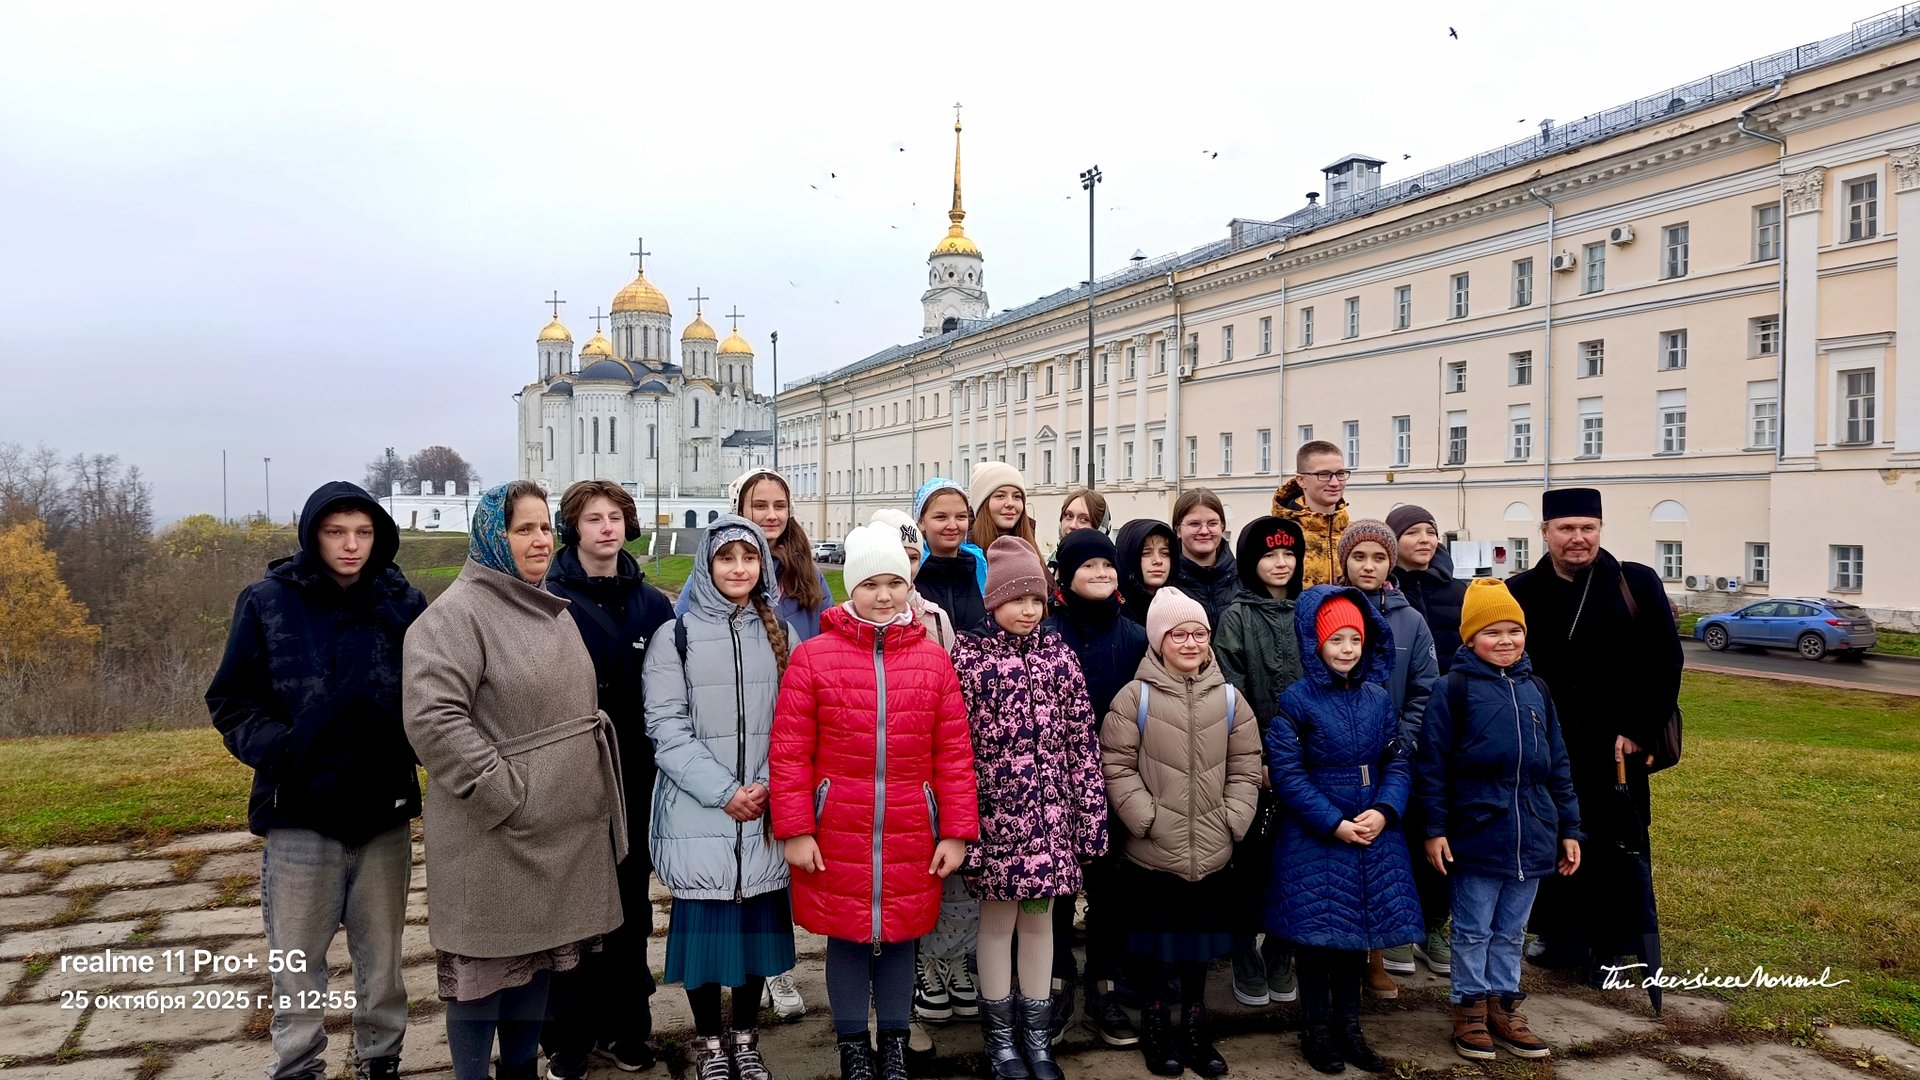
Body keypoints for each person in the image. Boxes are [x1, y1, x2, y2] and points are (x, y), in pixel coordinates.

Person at [402, 482, 626, 1080]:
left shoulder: (545, 603)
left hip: (558, 830)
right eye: (523, 528)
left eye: (545, 528)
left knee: (536, 962)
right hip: (494, 832)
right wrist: (504, 794)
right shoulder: (454, 616)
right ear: (492, 536)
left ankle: (522, 1070)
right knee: (482, 973)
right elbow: (433, 716)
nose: (539, 540)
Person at [206, 482, 426, 1080]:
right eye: (336, 533)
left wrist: (414, 748)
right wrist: (279, 750)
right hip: (299, 809)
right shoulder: (267, 602)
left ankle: (380, 1057)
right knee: (298, 958)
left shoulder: (404, 602)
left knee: (381, 959)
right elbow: (231, 698)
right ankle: (300, 1063)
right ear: (312, 535)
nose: (351, 546)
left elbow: (433, 694)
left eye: (363, 533)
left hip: (383, 808)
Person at [771, 523, 981, 1080]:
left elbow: (954, 752)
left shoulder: (934, 662)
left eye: (894, 582)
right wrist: (796, 828)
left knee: (900, 939)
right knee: (847, 940)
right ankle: (851, 1046)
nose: (884, 596)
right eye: (871, 584)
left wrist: (956, 830)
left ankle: (891, 1040)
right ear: (850, 587)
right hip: (836, 827)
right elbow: (791, 752)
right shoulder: (814, 658)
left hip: (912, 828)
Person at [1505, 488, 1682, 985]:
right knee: (1551, 837)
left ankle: (1613, 945)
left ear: (1600, 529)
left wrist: (1638, 729)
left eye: (1588, 527)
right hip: (1545, 741)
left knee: (1614, 841)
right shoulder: (1519, 589)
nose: (1578, 538)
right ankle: (1558, 935)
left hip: (1614, 745)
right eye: (1566, 528)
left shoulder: (1635, 582)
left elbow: (1665, 662)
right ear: (1545, 533)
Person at [644, 517, 797, 1080]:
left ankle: (746, 1037)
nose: (739, 569)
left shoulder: (779, 632)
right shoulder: (675, 636)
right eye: (726, 558)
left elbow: (797, 724)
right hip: (700, 814)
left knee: (756, 940)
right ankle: (710, 1042)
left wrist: (767, 785)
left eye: (749, 559)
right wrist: (725, 791)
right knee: (707, 945)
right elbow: (665, 726)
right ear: (707, 566)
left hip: (762, 813)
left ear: (763, 566)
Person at [951, 536, 1109, 1080]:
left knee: (1040, 926)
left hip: (1051, 827)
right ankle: (1001, 1045)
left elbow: (1081, 746)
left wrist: (1089, 824)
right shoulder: (969, 659)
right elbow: (955, 751)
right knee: (995, 925)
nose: (1028, 610)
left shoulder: (1058, 655)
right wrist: (963, 831)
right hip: (996, 829)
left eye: (1036, 600)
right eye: (1017, 600)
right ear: (993, 601)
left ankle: (1037, 1041)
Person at [1414, 579, 1582, 1062]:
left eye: (1514, 630)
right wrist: (1435, 829)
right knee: (1472, 928)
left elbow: (1558, 766)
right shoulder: (1454, 689)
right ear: (1470, 639)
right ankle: (1468, 1009)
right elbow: (1433, 766)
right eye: (1492, 632)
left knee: (1512, 929)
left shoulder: (1537, 690)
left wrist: (1570, 829)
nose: (1505, 641)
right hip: (1475, 832)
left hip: (1532, 831)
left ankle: (1504, 1005)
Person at [540, 481, 676, 1077]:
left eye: (615, 517)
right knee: (569, 910)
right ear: (573, 527)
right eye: (593, 518)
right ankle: (566, 1036)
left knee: (628, 907)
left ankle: (628, 1028)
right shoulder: (546, 599)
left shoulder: (653, 604)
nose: (606, 528)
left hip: (637, 774)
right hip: (570, 774)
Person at [1101, 588, 1262, 1078]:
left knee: (1197, 952)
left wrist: (1234, 817)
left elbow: (1247, 765)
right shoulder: (1136, 697)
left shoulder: (1230, 698)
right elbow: (1116, 763)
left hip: (1212, 850)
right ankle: (1155, 1028)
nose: (1190, 643)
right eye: (1178, 634)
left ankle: (1195, 1029)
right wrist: (1145, 818)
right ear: (1159, 640)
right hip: (1154, 854)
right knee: (1154, 950)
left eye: (1198, 634)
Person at [1267, 586, 1423, 1076]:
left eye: (1355, 638)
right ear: (1316, 644)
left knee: (1359, 933)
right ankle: (1316, 1028)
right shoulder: (1297, 700)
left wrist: (1385, 810)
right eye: (1336, 639)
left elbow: (1397, 761)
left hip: (1371, 830)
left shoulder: (1378, 699)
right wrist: (1332, 822)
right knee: (1318, 939)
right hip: (1318, 835)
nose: (1347, 649)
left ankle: (1350, 1025)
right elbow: (1287, 773)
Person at [1043, 528, 1149, 1048]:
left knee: (1111, 892)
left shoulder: (1133, 636)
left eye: (1107, 566)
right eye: (1088, 567)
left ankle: (1104, 989)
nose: (1101, 574)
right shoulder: (1047, 634)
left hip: (1117, 783)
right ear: (1066, 575)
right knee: (1060, 893)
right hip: (1056, 787)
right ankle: (1056, 985)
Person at [872, 507, 968, 1059]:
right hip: (867, 791)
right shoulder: (846, 625)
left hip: (918, 785)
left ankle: (913, 1000)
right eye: (889, 563)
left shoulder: (932, 620)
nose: (899, 578)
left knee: (916, 899)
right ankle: (889, 1013)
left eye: (911, 560)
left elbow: (948, 706)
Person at [1338, 519, 1442, 991]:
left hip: (1390, 755)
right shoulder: (1326, 608)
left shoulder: (1410, 619)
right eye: (1359, 557)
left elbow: (1424, 687)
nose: (1369, 566)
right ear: (1345, 562)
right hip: (1337, 754)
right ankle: (1339, 953)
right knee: (1339, 854)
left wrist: (1404, 736)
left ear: (1390, 563)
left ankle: (1376, 953)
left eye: (1378, 557)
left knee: (1381, 856)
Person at [1212, 515, 1307, 1011]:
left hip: (1308, 763)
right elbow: (1234, 690)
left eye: (1288, 554)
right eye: (1270, 555)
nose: (1280, 563)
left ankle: (1282, 948)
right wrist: (1261, 758)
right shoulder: (1236, 616)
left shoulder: (1310, 610)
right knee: (1250, 860)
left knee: (1295, 860)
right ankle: (1244, 947)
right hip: (1259, 764)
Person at [1387, 504, 1468, 675]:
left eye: (1430, 533)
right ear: (1392, 540)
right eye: (1412, 532)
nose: (1424, 539)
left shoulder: (1458, 591)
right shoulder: (1385, 591)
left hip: (1452, 691)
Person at [1271, 441, 1353, 588]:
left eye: (1340, 474)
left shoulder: (1354, 534)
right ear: (1301, 480)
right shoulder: (1279, 534)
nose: (1335, 483)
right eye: (1324, 474)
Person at [873, 508, 957, 651]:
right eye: (898, 556)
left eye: (913, 558)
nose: (904, 566)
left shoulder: (936, 618)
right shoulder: (852, 619)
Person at [913, 477, 988, 634]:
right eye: (941, 517)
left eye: (961, 517)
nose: (953, 525)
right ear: (921, 522)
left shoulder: (978, 566)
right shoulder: (912, 572)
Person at [1168, 488, 1243, 627]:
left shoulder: (1244, 577)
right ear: (1178, 530)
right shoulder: (1166, 581)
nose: (1204, 531)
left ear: (1222, 526)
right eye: (1194, 524)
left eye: (1212, 523)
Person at [966, 461, 1039, 592]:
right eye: (1000, 496)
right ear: (982, 503)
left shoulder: (1031, 549)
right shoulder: (966, 554)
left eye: (1017, 496)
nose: (1010, 503)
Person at [1115, 519, 1176, 629]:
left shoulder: (1182, 605)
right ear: (1128, 557)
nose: (1158, 560)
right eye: (1146, 553)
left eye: (1165, 553)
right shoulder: (1110, 611)